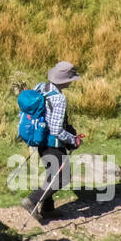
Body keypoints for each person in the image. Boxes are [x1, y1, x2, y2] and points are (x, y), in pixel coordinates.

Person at [22, 61, 83, 220]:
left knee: (52, 173)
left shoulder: (41, 86)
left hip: (39, 138)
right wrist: (73, 140)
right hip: (52, 144)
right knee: (63, 177)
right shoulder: (59, 98)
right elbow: (56, 130)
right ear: (65, 80)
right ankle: (31, 200)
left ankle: (47, 209)